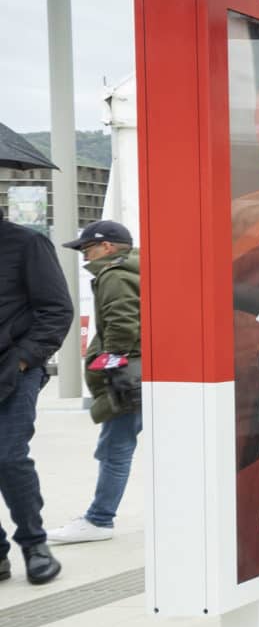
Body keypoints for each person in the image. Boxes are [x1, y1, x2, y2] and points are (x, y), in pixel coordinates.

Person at [47, 221, 144, 545]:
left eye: (88, 249)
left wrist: (111, 362)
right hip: (147, 371)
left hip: (129, 377)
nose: (85, 256)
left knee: (115, 448)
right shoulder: (139, 267)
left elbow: (122, 320)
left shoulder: (114, 275)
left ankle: (99, 519)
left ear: (108, 246)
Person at [0, 210, 70, 586]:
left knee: (8, 457)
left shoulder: (27, 243)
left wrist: (26, 358)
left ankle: (34, 544)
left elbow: (57, 309)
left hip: (14, 369)